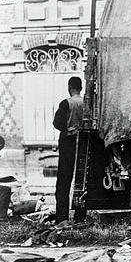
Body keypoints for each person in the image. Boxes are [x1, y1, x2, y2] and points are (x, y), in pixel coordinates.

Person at [52, 76, 85, 224]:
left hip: (68, 143)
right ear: (81, 88)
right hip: (85, 143)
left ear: (69, 87)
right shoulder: (88, 103)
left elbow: (57, 123)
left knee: (64, 182)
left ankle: (62, 218)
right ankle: (80, 217)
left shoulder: (66, 103)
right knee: (82, 181)